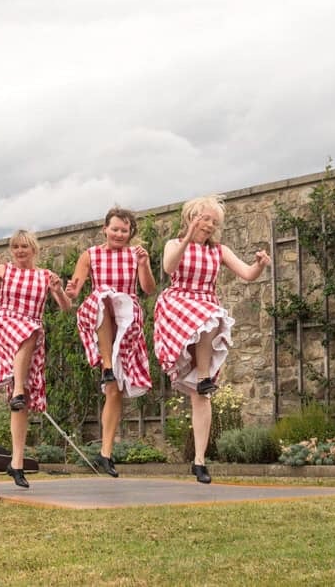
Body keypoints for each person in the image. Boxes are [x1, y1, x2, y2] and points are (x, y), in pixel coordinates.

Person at [153, 195, 270, 484]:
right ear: (191, 217)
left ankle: (199, 461)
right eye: (205, 218)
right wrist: (187, 238)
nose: (209, 224)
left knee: (200, 394)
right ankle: (203, 373)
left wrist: (260, 264)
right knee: (209, 316)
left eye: (214, 221)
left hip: (205, 310)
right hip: (178, 306)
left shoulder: (219, 250)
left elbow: (247, 274)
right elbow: (169, 268)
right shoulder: (173, 244)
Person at [0, 229, 72, 488]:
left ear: (34, 249)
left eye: (24, 247)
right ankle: (19, 388)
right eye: (16, 247)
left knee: (22, 405)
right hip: (4, 323)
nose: (20, 251)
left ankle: (17, 463)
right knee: (31, 330)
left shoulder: (45, 276)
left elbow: (66, 306)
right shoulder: (4, 270)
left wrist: (58, 290)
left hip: (30, 335)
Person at [65, 207, 157, 478]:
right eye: (114, 229)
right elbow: (76, 288)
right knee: (103, 296)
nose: (119, 234)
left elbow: (148, 289)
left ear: (131, 233)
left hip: (127, 319)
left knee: (114, 392)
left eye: (124, 230)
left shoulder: (135, 254)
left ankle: (105, 454)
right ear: (105, 229)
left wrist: (144, 264)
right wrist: (71, 290)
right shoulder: (90, 255)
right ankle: (107, 365)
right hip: (99, 317)